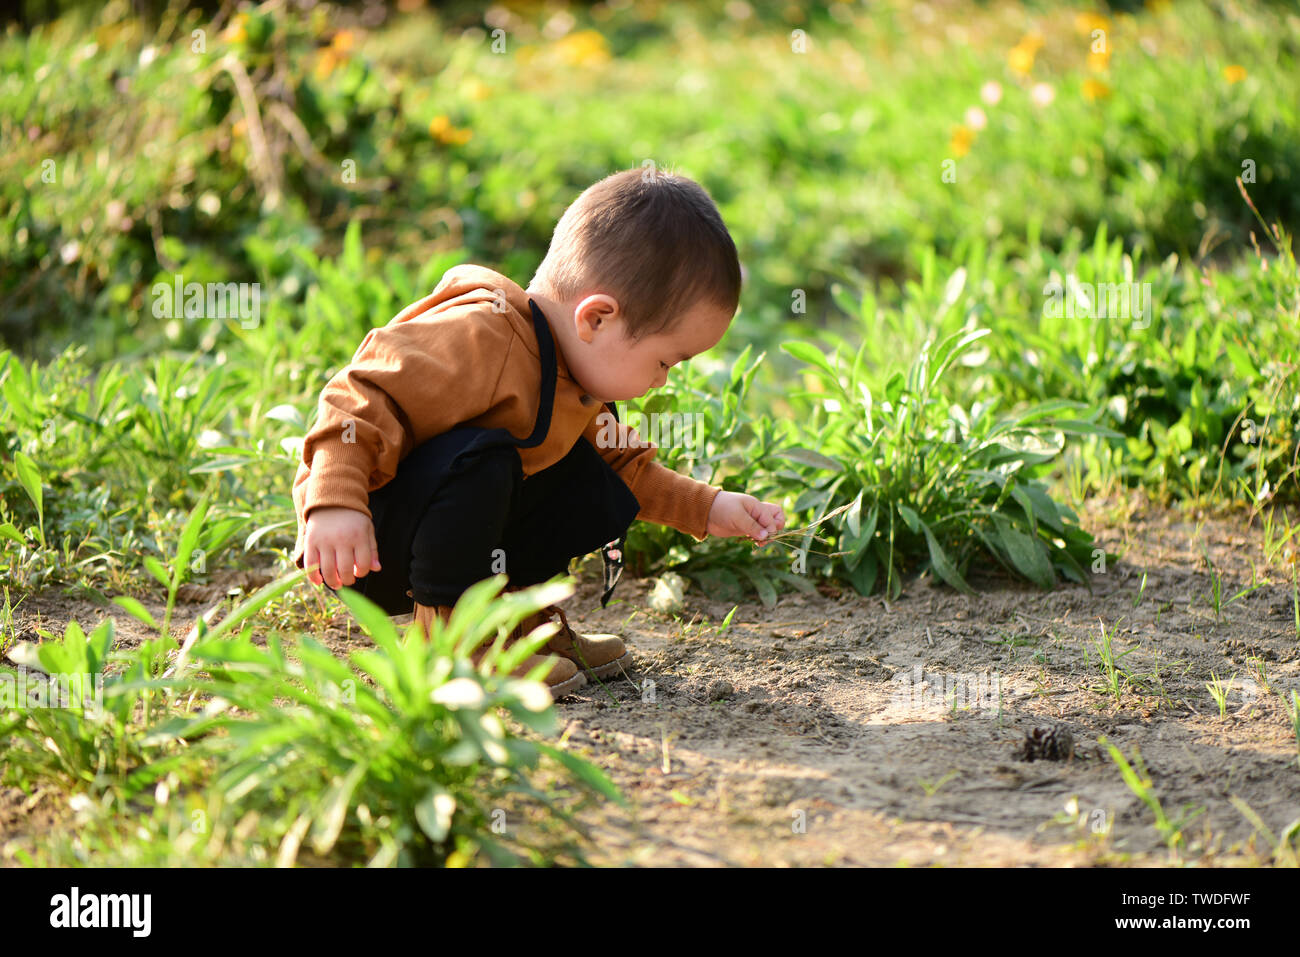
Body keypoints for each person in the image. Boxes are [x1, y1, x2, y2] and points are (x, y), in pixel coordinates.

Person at [291, 167, 785, 698]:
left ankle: (521, 628)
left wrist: (710, 508)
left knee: (584, 471)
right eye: (665, 361)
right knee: (487, 458)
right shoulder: (480, 335)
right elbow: (357, 396)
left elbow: (627, 472)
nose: (664, 378)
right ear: (596, 318)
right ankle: (454, 645)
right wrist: (335, 503)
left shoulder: (572, 380)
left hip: (428, 529)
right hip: (366, 541)